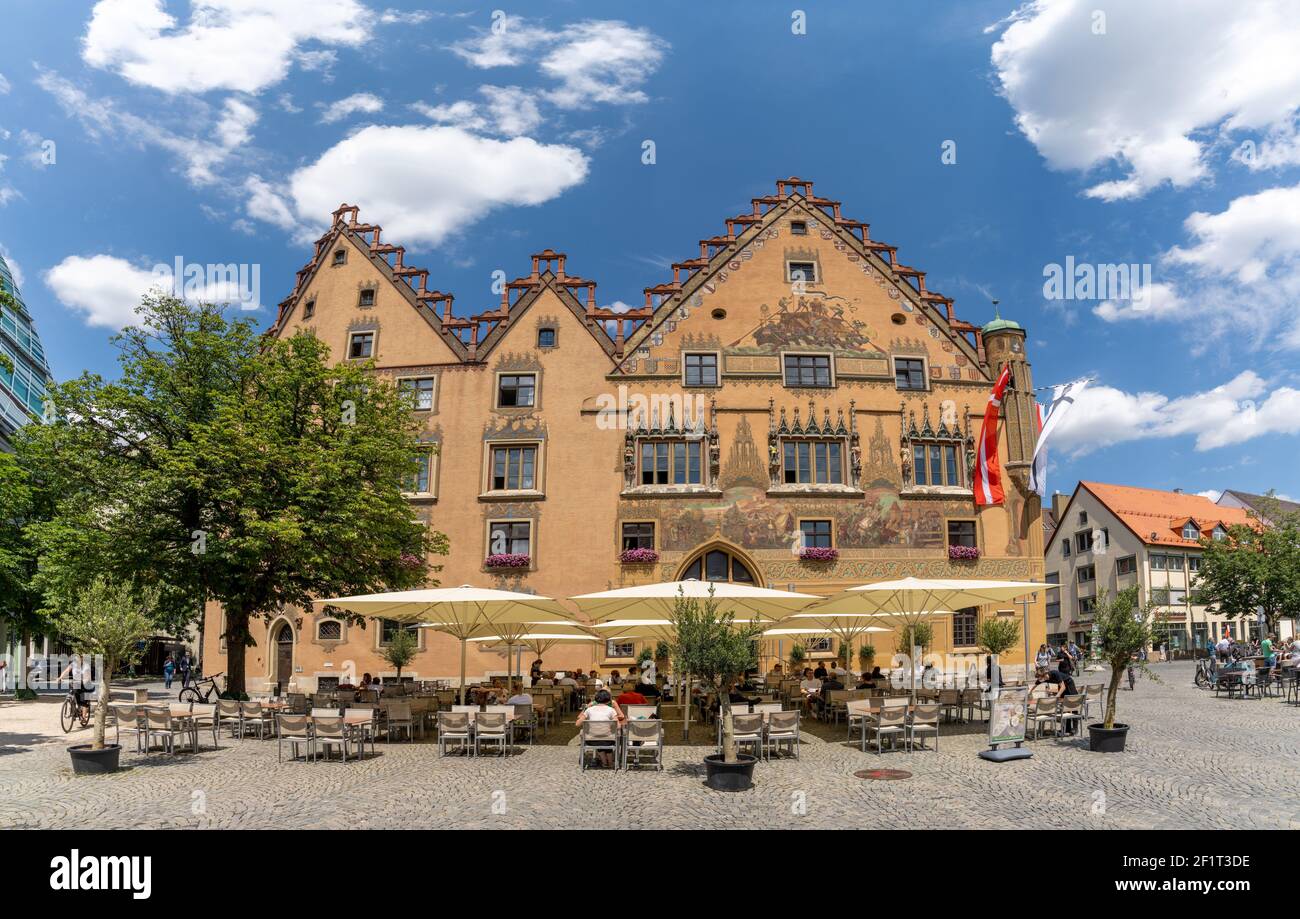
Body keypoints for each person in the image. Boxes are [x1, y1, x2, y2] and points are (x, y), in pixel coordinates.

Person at [575, 689, 623, 768]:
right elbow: (618, 726)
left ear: (596, 699)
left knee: (598, 738)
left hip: (591, 740)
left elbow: (577, 724)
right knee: (605, 737)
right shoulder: (611, 710)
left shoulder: (589, 710)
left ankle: (604, 763)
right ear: (608, 700)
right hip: (608, 740)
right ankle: (610, 763)